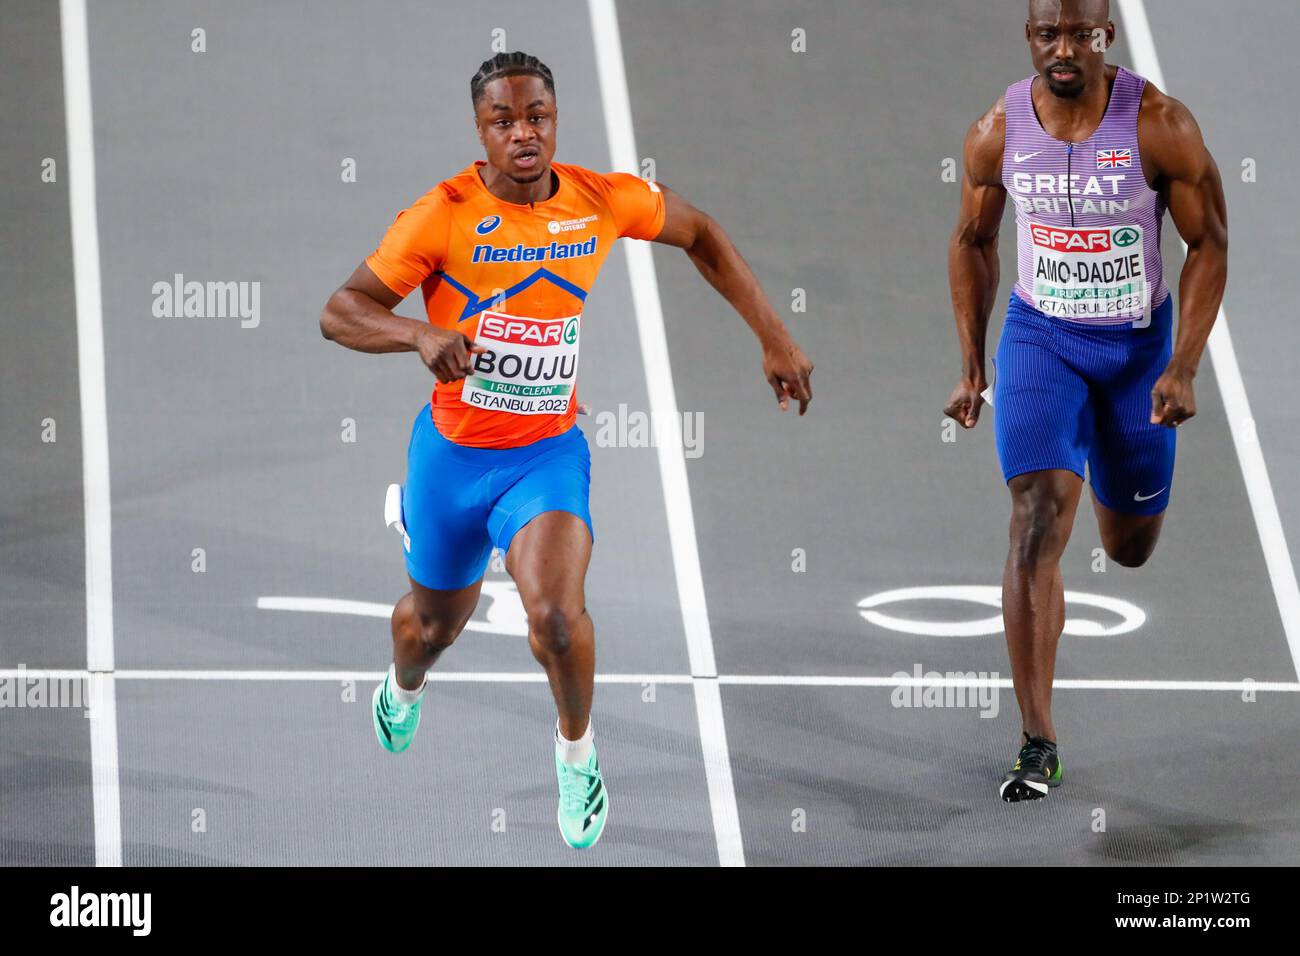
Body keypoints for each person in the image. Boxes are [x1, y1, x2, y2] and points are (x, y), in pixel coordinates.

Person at [320, 52, 814, 846]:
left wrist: (775, 338)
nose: (523, 132)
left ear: (555, 117)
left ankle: (577, 752)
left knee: (553, 616)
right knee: (433, 627)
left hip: (544, 454)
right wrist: (417, 332)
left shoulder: (601, 199)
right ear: (481, 132)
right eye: (504, 121)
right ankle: (404, 687)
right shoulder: (440, 215)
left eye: (536, 116)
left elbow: (704, 235)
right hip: (452, 457)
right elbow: (341, 311)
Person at [943, 0, 1227, 801]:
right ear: (1028, 37)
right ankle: (1037, 740)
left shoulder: (1160, 126)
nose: (1063, 49)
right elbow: (971, 243)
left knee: (1130, 546)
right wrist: (973, 366)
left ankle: (1110, 448)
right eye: (1048, 34)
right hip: (1043, 341)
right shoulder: (996, 131)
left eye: (1080, 34)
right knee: (1034, 520)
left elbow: (1209, 244)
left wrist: (1183, 365)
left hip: (1138, 352)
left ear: (1107, 35)